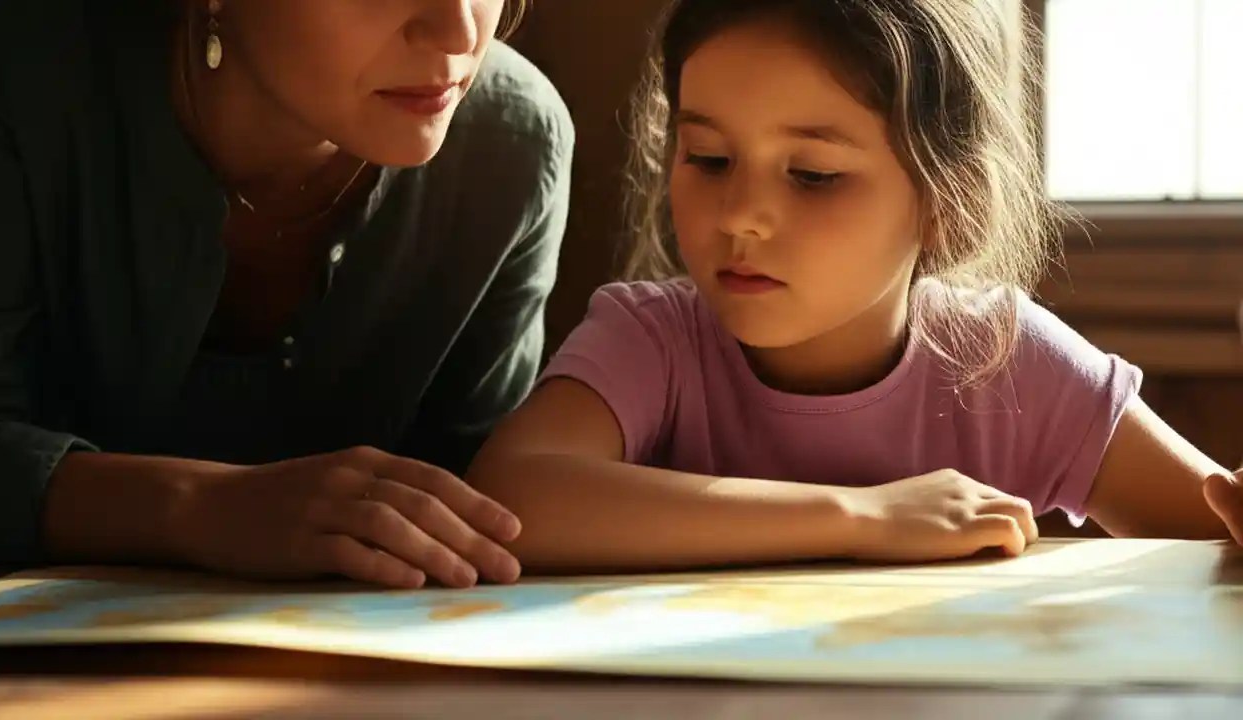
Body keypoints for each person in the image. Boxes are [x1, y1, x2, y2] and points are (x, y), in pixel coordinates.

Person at [467, 0, 1243, 572]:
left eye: (813, 176)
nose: (741, 216)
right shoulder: (653, 341)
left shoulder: (1002, 359)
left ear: (950, 200)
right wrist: (861, 517)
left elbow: (1212, 520)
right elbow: (515, 497)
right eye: (707, 158)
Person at [0, 0, 574, 590]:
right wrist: (196, 508)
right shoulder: (5, 76)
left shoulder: (510, 144)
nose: (458, 30)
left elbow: (478, 501)